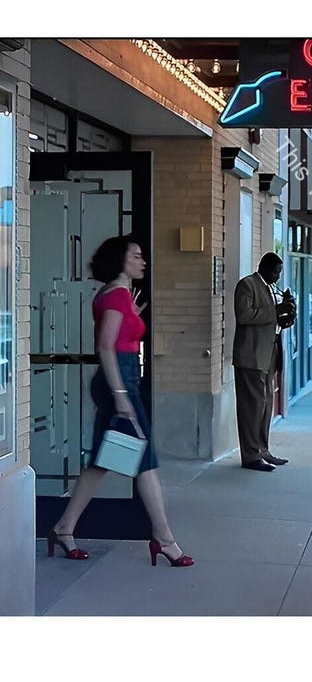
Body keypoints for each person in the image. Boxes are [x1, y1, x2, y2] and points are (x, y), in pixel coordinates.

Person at [48, 235, 193, 567]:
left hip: (123, 381)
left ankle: (64, 527)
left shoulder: (123, 295)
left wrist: (133, 316)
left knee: (102, 461)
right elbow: (106, 348)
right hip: (120, 383)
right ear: (121, 260)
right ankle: (165, 540)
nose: (144, 261)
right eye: (137, 256)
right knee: (145, 460)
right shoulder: (115, 295)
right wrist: (122, 397)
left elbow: (121, 337)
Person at [233, 252, 296, 472]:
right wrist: (275, 310)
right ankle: (250, 455)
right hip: (250, 356)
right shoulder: (247, 285)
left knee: (266, 404)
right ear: (265, 268)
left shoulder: (270, 288)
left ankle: (262, 449)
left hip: (269, 353)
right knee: (252, 407)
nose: (278, 277)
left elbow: (270, 319)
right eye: (276, 272)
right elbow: (244, 316)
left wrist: (287, 314)